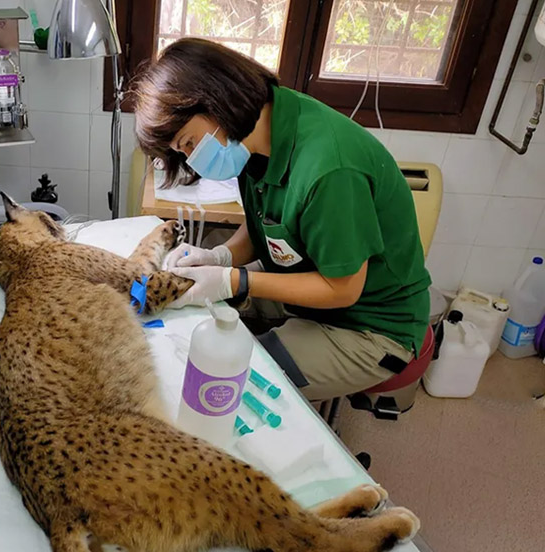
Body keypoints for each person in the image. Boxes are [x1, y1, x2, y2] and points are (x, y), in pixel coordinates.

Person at [134, 38, 431, 401]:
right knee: (194, 301)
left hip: (371, 326)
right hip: (306, 282)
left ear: (216, 98)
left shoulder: (329, 169)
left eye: (189, 143)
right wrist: (221, 257)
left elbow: (343, 288)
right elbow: (266, 218)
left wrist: (234, 279)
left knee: (230, 380)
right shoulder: (257, 135)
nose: (193, 160)